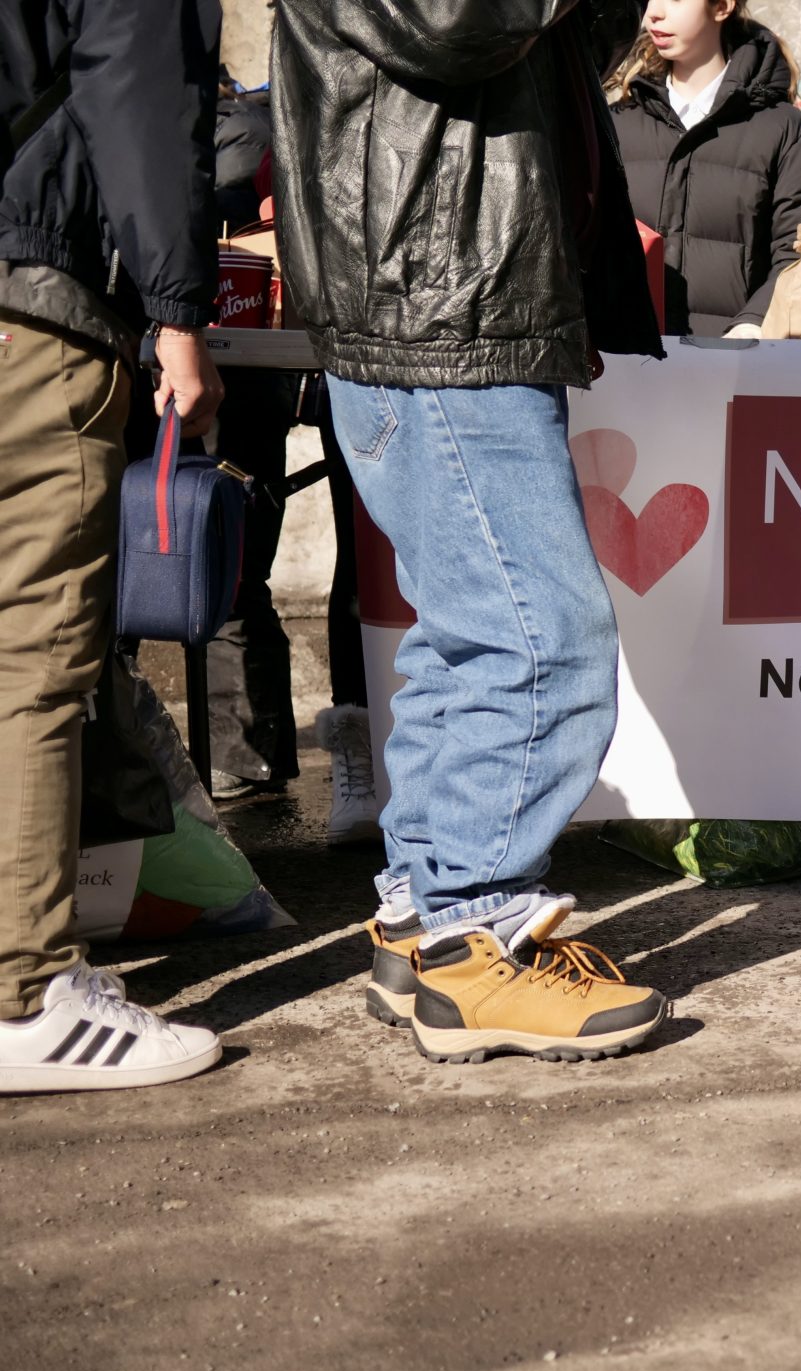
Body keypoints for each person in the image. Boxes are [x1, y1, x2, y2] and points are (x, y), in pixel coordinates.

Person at [270, 0, 672, 1063]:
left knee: (466, 639)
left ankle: (421, 919)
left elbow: (565, 43)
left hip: (456, 297)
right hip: (436, 300)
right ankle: (473, 937)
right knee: (540, 636)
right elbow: (454, 24)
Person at [0, 0, 228, 1092]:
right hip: (30, 311)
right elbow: (136, 80)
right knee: (31, 666)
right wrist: (178, 314)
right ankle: (24, 994)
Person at [610, 0, 801, 339]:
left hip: (739, 368)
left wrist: (753, 323)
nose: (654, 12)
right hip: (624, 369)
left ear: (721, 6)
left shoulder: (783, 130)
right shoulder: (615, 124)